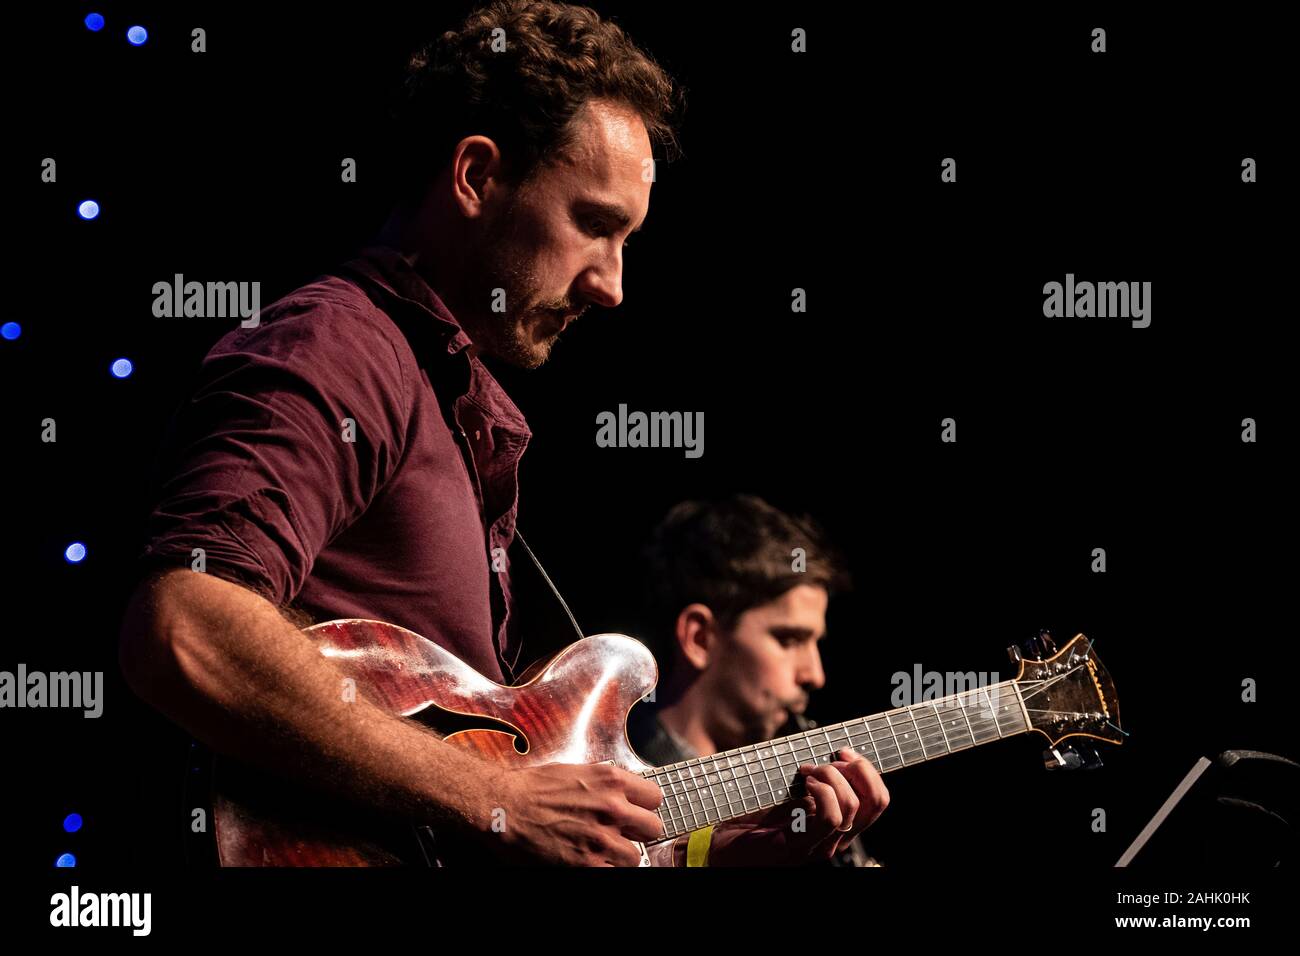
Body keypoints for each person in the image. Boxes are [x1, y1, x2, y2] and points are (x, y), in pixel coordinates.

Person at [118, 0, 887, 866]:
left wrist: (727, 857)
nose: (612, 287)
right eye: (594, 225)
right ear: (476, 177)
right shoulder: (339, 348)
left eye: (628, 240)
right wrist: (494, 796)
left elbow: (509, 799)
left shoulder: (454, 399)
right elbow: (184, 623)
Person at [630, 494, 884, 865]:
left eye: (815, 643)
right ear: (700, 638)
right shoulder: (616, 794)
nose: (816, 675)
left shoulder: (796, 804)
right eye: (789, 639)